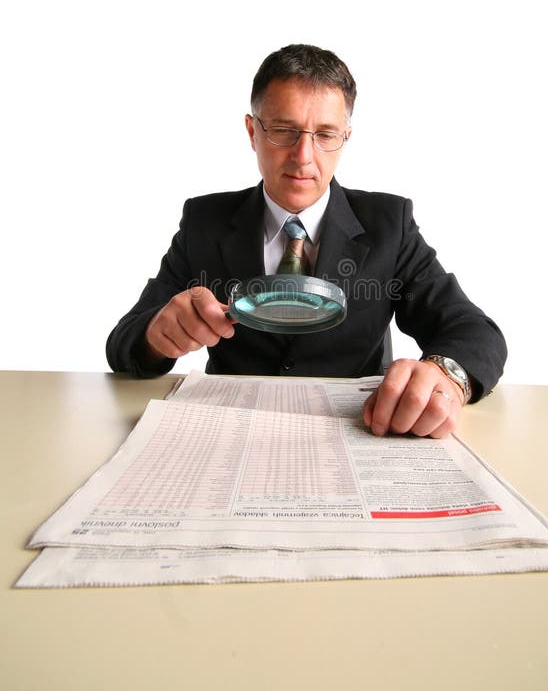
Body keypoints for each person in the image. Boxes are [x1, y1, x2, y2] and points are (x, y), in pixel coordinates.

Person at [106, 43, 507, 438]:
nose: (303, 156)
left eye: (325, 135)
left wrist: (445, 375)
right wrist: (155, 336)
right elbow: (124, 342)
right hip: (229, 434)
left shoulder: (389, 224)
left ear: (344, 138)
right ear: (252, 131)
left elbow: (474, 331)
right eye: (283, 131)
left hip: (359, 433)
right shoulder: (204, 221)